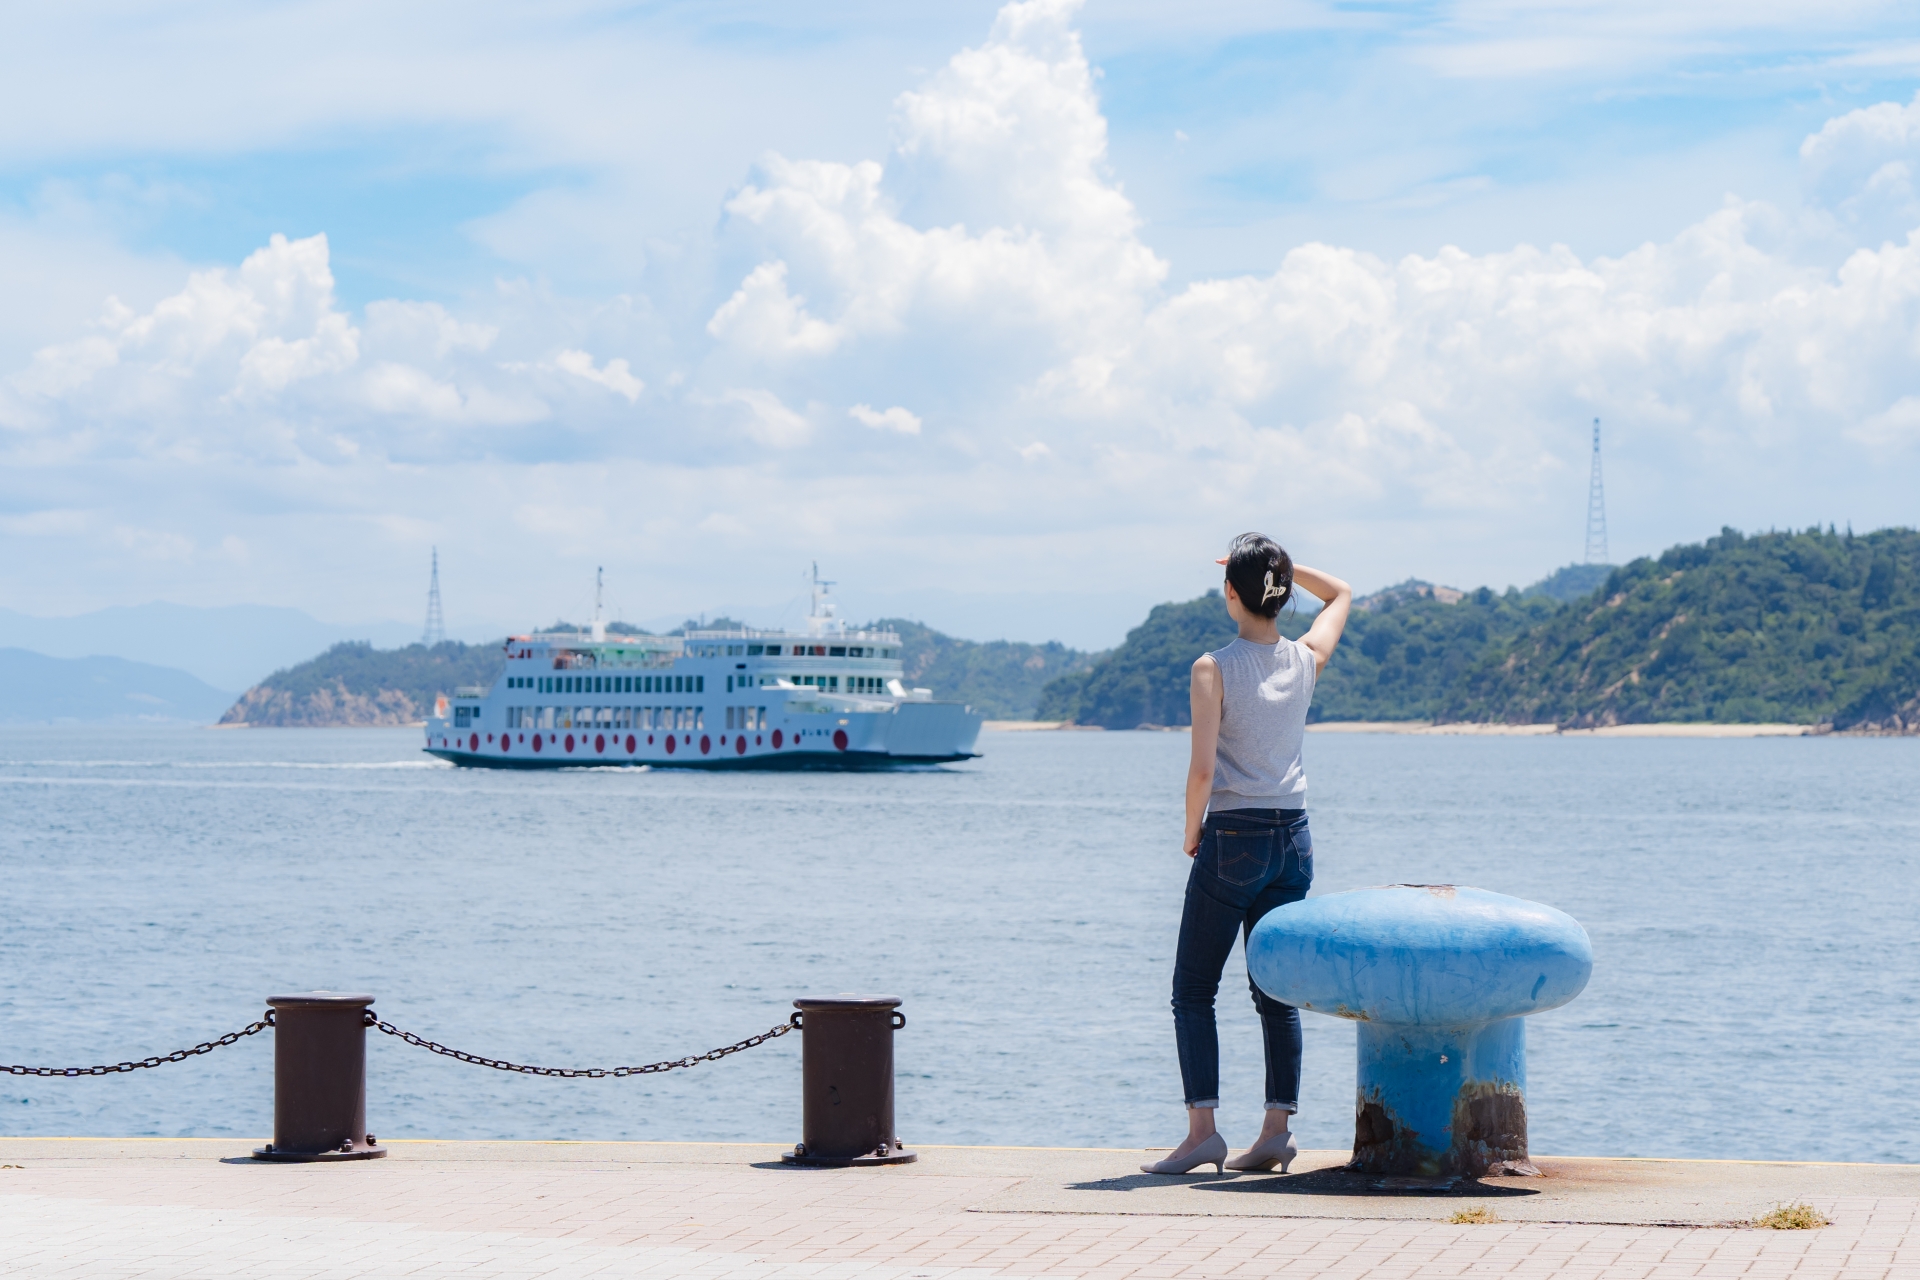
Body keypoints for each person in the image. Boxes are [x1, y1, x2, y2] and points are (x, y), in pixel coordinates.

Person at [1140, 533, 1352, 1176]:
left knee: (1193, 990)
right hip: (1294, 837)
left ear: (1230, 593)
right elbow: (1341, 592)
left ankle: (1203, 1132)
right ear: (1284, 595)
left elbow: (1201, 771)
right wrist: (1282, 570)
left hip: (1233, 836)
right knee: (1275, 991)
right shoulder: (1306, 658)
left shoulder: (1214, 666)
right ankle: (1274, 1133)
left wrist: (1188, 830)